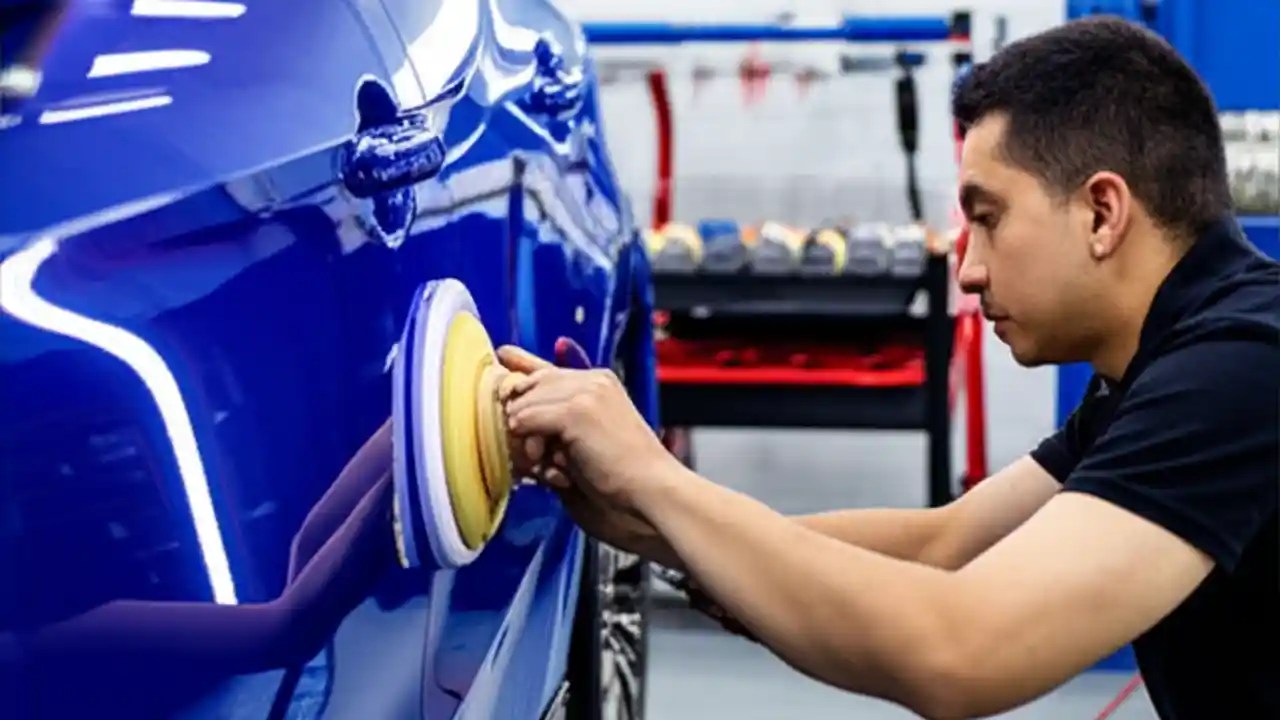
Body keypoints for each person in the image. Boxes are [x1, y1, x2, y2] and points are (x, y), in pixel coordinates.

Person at [497, 16, 1278, 720]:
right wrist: (657, 521)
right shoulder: (1165, 364)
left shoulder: (1241, 368)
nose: (967, 271)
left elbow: (962, 650)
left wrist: (656, 480)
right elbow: (947, 541)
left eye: (988, 218)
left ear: (1102, 214)